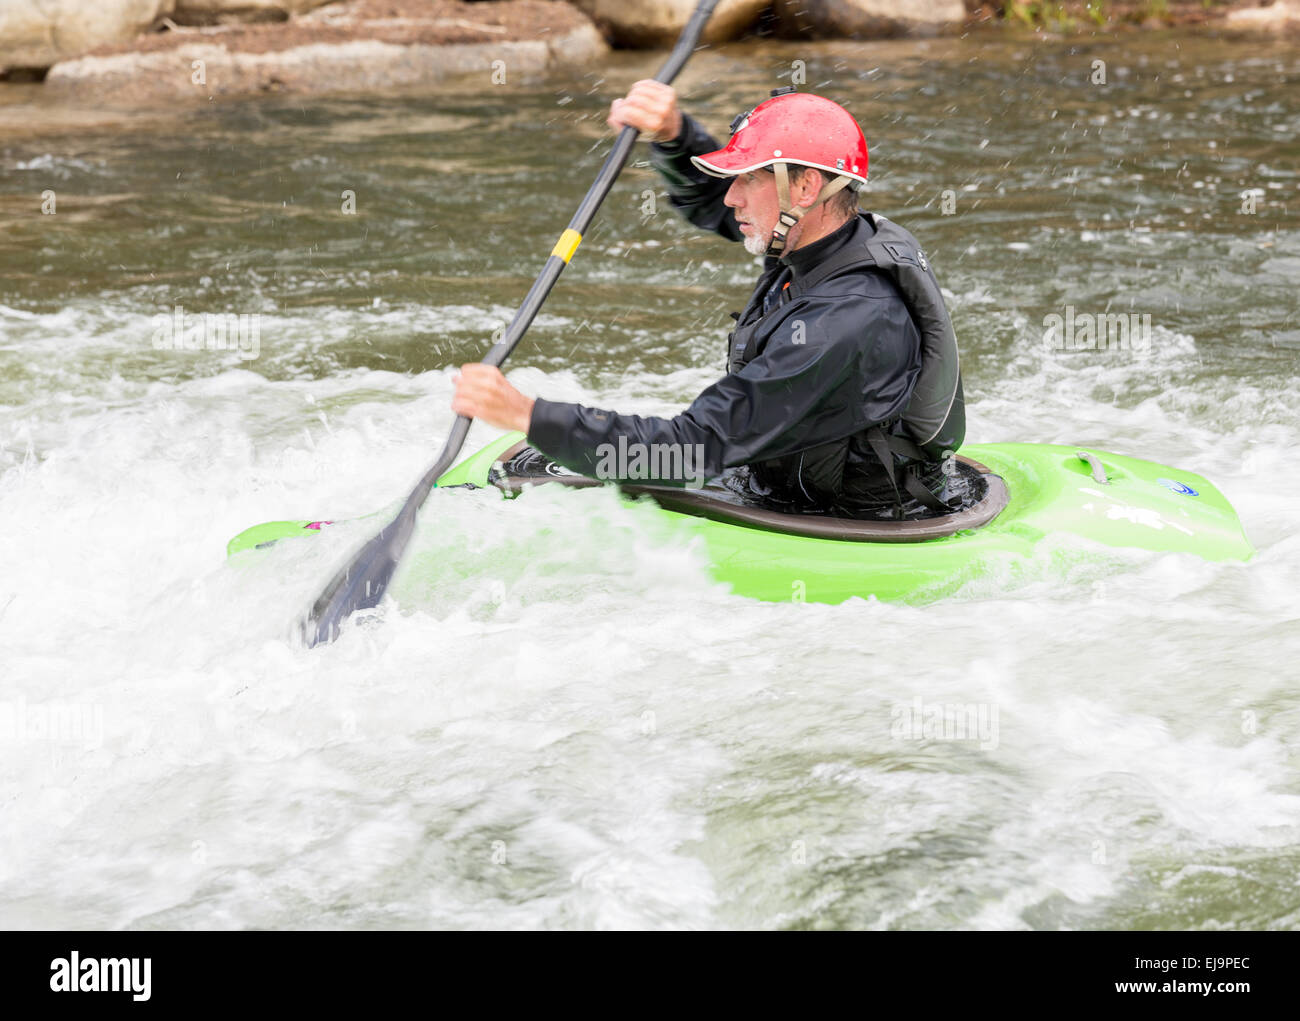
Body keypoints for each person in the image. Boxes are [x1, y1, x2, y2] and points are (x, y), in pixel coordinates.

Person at [452, 82, 966, 519]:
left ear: (806, 186)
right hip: (790, 476)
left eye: (747, 179)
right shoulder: (819, 239)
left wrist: (529, 415)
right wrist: (673, 134)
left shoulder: (844, 320)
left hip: (853, 517)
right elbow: (711, 202)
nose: (730, 197)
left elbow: (690, 453)